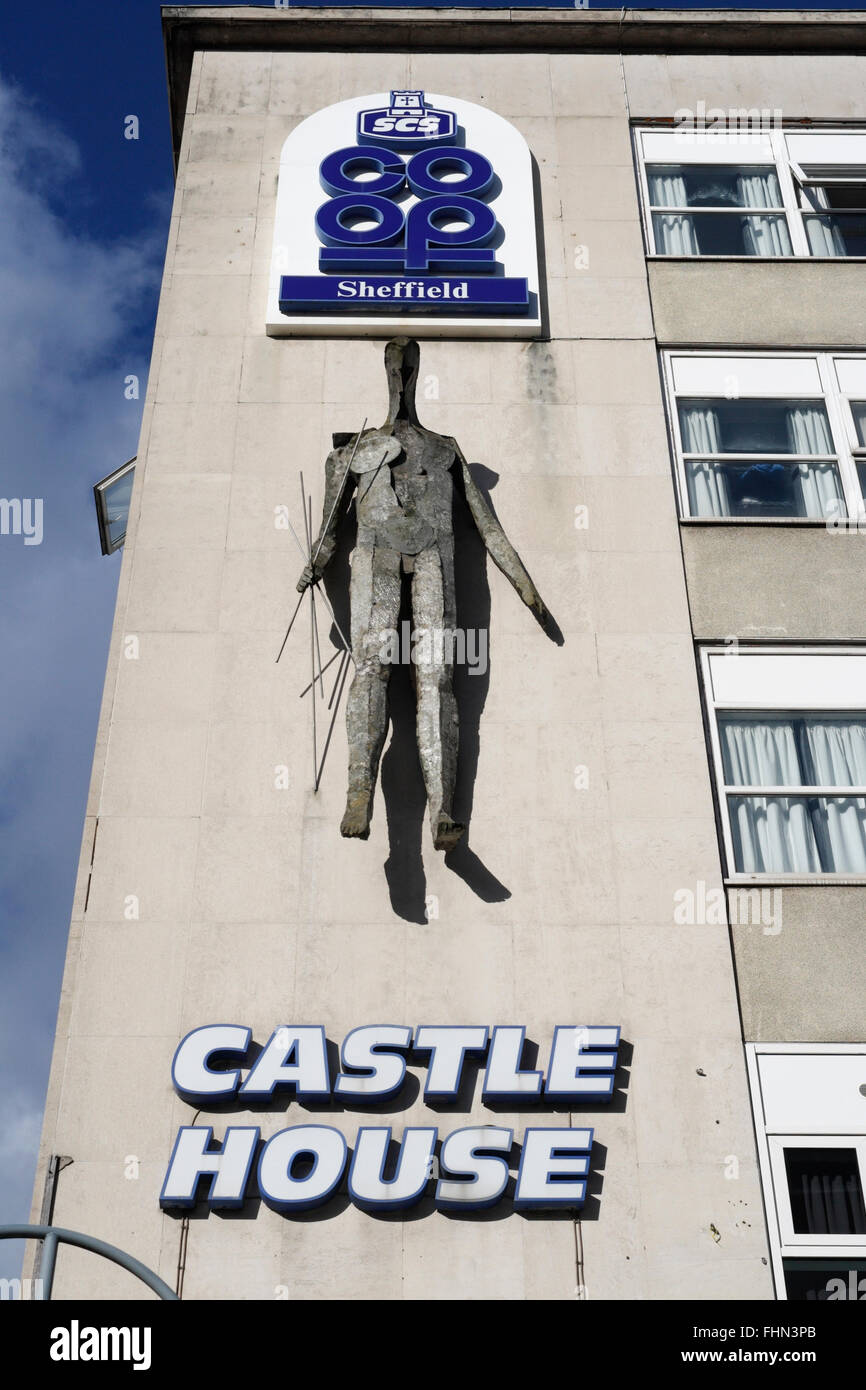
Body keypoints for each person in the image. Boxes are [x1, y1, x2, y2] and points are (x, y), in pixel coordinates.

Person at [298, 337, 551, 850]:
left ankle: (444, 812)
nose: (402, 376)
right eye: (396, 366)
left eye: (408, 366)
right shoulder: (352, 454)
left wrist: (525, 586)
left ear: (417, 372)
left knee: (436, 680)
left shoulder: (445, 449)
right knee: (371, 668)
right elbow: (328, 530)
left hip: (435, 559)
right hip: (376, 559)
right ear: (388, 372)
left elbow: (488, 527)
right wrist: (315, 566)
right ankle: (358, 794)